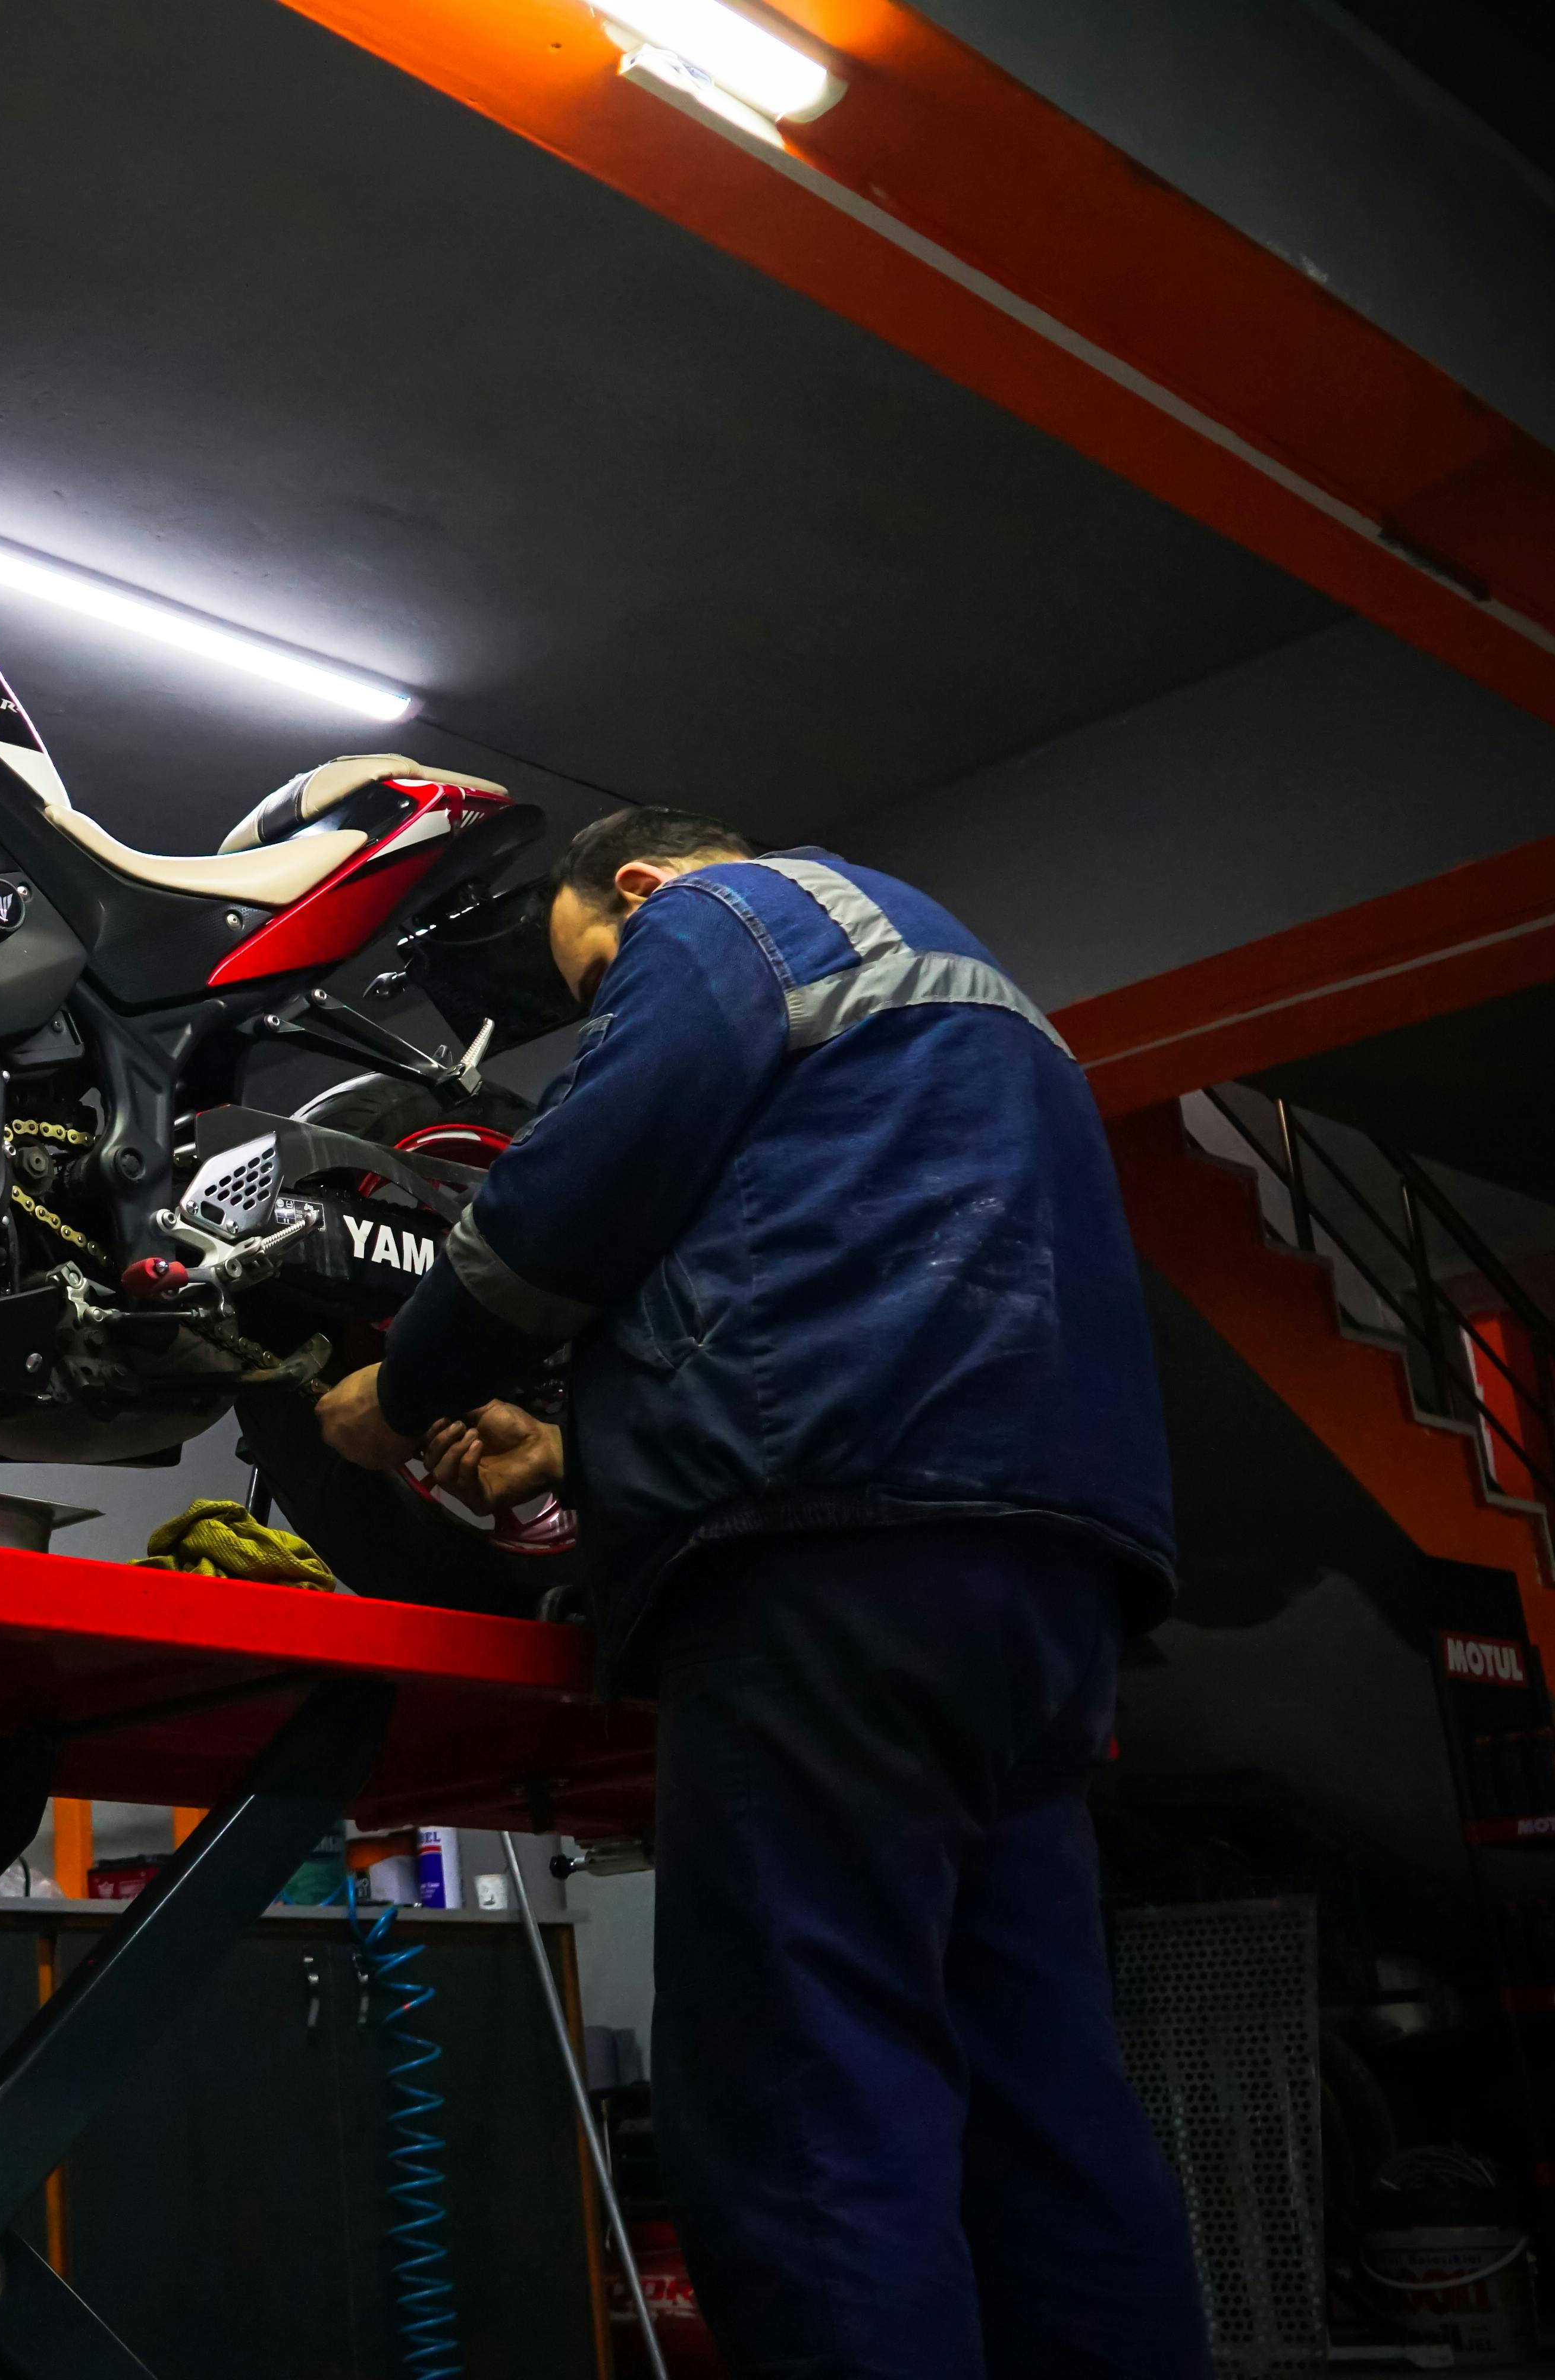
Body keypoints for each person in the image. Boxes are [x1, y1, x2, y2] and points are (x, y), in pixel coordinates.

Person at [314, 805, 1209, 2380]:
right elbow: (836, 1275)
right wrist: (582, 1454)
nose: (612, 998)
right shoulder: (959, 984)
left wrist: (403, 1393)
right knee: (1044, 2103)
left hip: (828, 1571)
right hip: (1046, 1578)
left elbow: (574, 1197)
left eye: (597, 973)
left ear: (641, 888)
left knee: (813, 2094)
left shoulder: (729, 921)